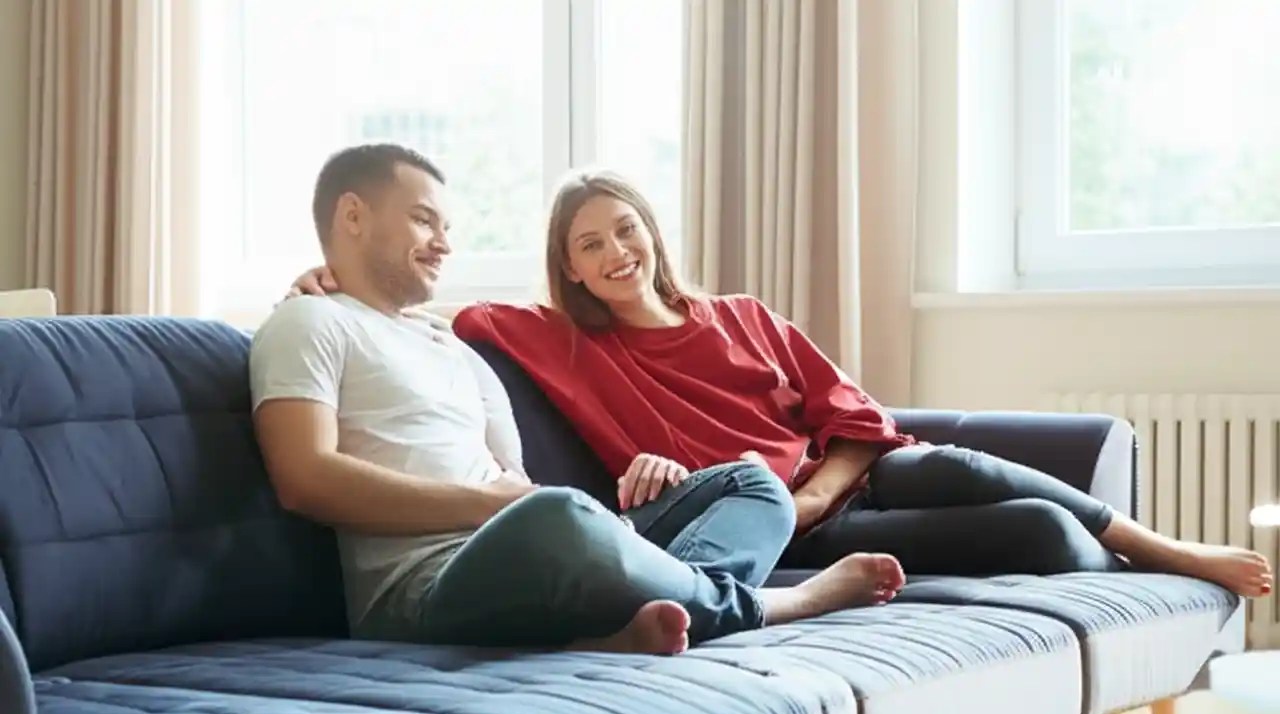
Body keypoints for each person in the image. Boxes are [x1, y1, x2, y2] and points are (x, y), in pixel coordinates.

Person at [292, 167, 1273, 599]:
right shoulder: (557, 342)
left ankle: (1165, 549)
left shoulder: (744, 316)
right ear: (573, 272)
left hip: (834, 494)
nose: (614, 252)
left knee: (961, 467)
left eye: (623, 229)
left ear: (649, 231)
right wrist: (327, 279)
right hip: (757, 524)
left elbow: (852, 418)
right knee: (1038, 533)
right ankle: (1115, 563)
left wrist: (813, 493)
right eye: (589, 247)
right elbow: (430, 304)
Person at [252, 144, 906, 658]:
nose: (446, 243)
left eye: (448, 226)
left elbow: (510, 477)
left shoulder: (445, 345)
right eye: (424, 220)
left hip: (526, 544)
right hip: (420, 589)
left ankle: (623, 624)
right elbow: (304, 480)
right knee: (558, 514)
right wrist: (499, 506)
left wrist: (580, 515)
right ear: (353, 216)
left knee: (753, 483)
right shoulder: (307, 322)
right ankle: (771, 604)